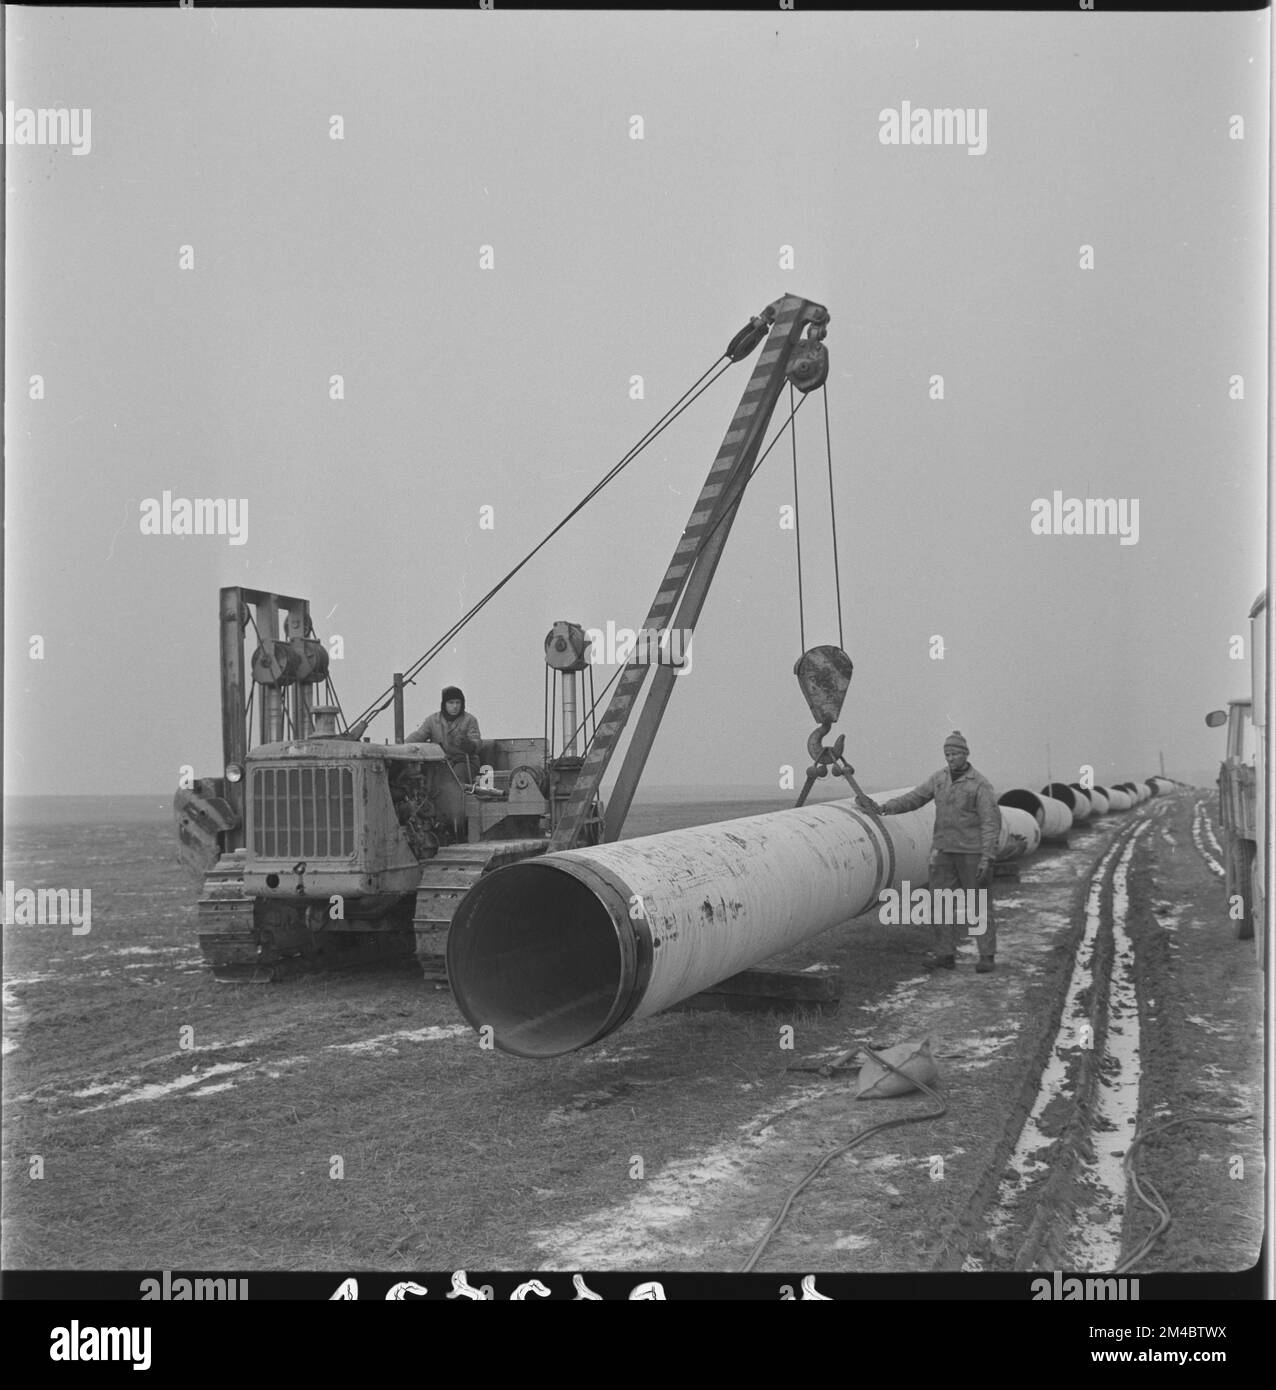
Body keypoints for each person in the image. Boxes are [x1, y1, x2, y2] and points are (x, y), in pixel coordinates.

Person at [857, 731, 1001, 974]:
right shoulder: (939, 779)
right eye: (947, 754)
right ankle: (945, 954)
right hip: (944, 851)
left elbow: (990, 822)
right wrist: (883, 808)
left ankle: (986, 955)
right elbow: (914, 798)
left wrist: (988, 857)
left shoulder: (980, 784)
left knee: (978, 905)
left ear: (965, 754)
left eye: (954, 754)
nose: (950, 758)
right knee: (940, 904)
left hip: (971, 853)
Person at [406, 686, 483, 779]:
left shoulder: (469, 720)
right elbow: (418, 736)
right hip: (441, 762)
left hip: (465, 762)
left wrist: (470, 745)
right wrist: (402, 746)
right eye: (451, 702)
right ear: (444, 704)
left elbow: (477, 743)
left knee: (456, 778)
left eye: (458, 702)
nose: (455, 706)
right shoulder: (433, 720)